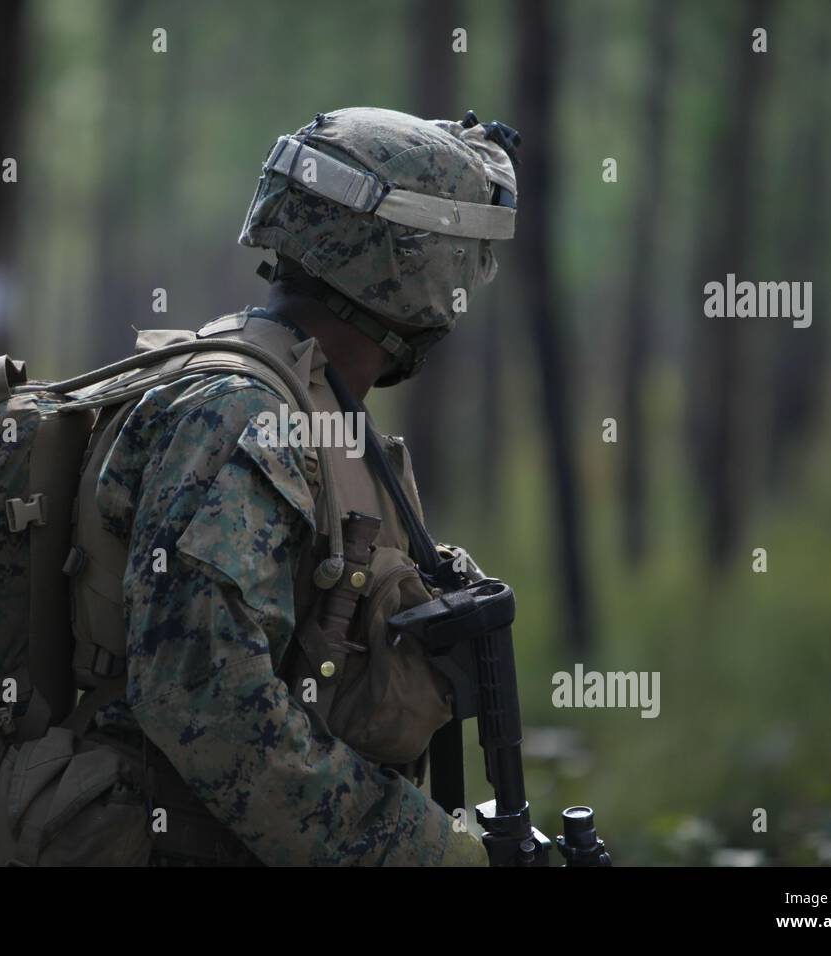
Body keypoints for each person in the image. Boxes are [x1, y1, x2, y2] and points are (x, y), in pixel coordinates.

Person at [89, 106, 519, 865]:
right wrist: (418, 850)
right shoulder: (246, 417)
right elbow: (204, 700)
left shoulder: (303, 399)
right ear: (408, 261)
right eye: (463, 256)